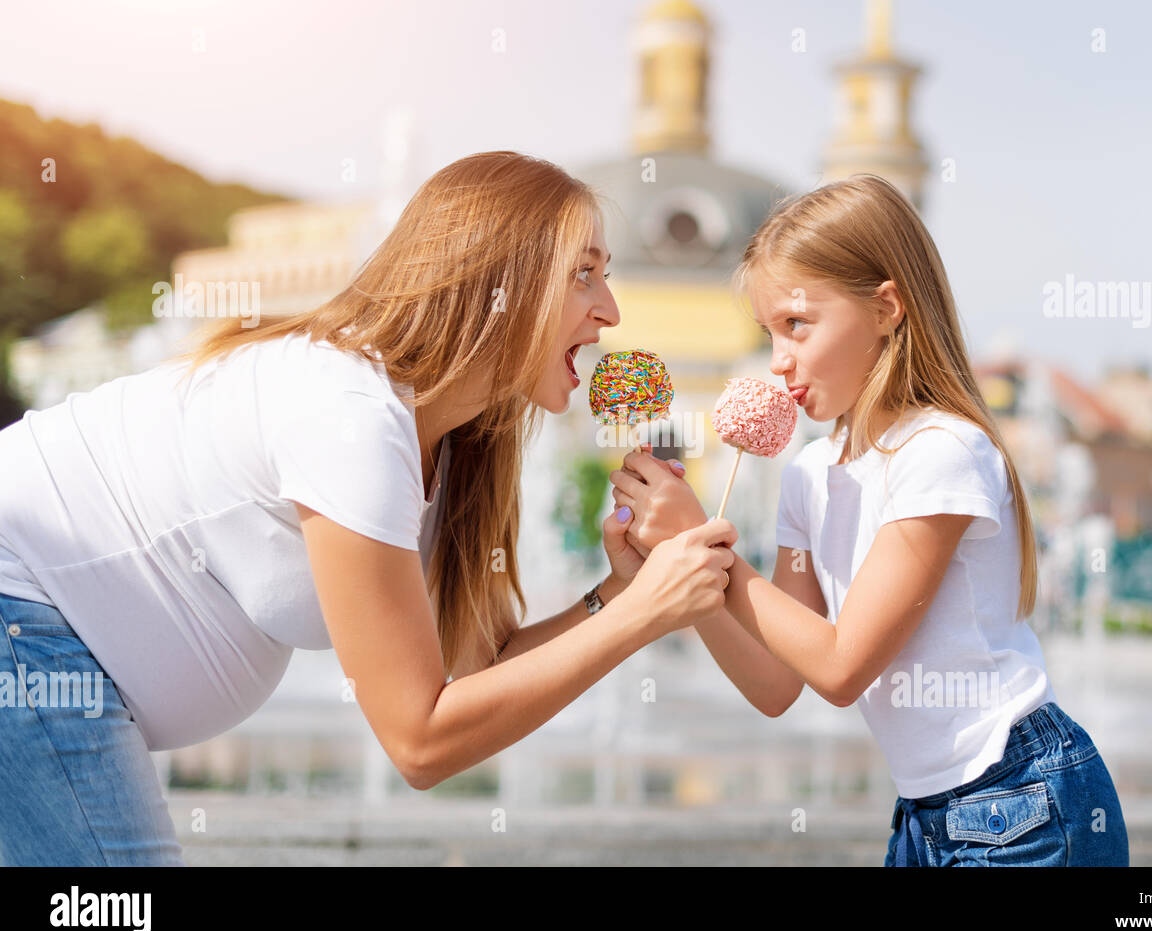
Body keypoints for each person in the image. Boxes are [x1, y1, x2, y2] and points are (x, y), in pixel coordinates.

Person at [0, 150, 737, 866]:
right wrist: (648, 615)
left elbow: (485, 668)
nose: (609, 310)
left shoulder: (450, 439)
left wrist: (620, 595)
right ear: (494, 282)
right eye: (583, 276)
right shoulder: (350, 412)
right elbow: (420, 742)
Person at [608, 173, 1129, 866]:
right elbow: (774, 682)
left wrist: (718, 560)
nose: (778, 360)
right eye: (768, 332)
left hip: (1022, 799)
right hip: (926, 815)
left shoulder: (941, 451)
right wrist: (686, 558)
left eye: (797, 324)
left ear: (886, 307)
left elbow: (843, 665)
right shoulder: (806, 475)